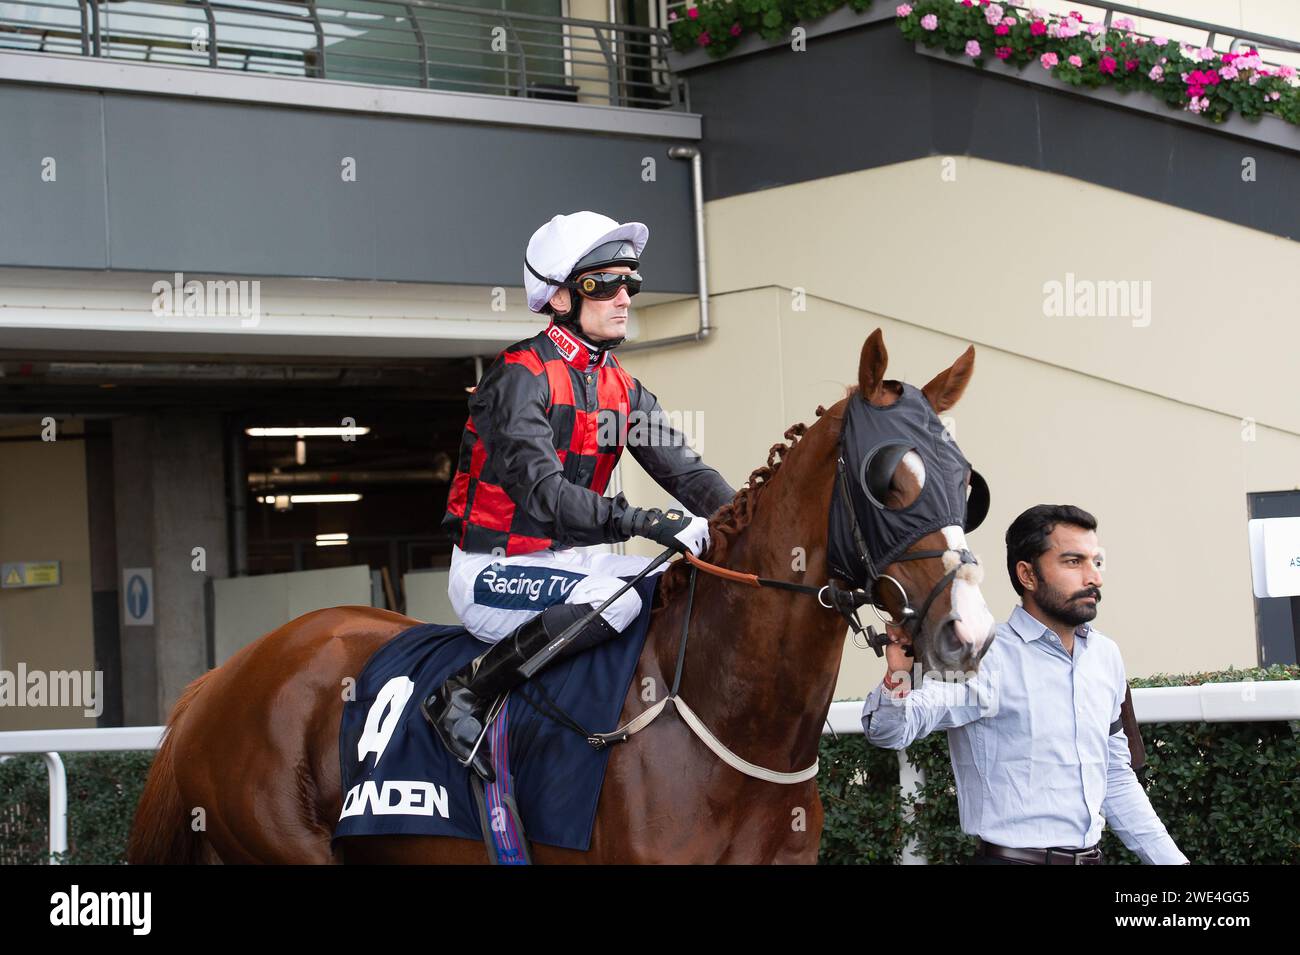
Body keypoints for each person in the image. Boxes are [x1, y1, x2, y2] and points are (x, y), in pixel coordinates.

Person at [422, 211, 735, 781]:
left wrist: (747, 520)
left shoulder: (622, 388)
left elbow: (689, 475)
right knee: (619, 600)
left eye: (630, 283)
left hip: (571, 562)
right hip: (495, 568)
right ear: (561, 297)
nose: (624, 298)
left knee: (673, 587)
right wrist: (648, 521)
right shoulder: (517, 378)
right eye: (604, 284)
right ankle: (464, 694)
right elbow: (544, 495)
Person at [861, 504, 1189, 864]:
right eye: (1072, 562)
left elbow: (1114, 776)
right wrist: (898, 676)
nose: (1093, 577)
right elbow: (890, 731)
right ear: (1027, 575)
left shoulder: (1105, 656)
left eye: (1096, 561)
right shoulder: (983, 655)